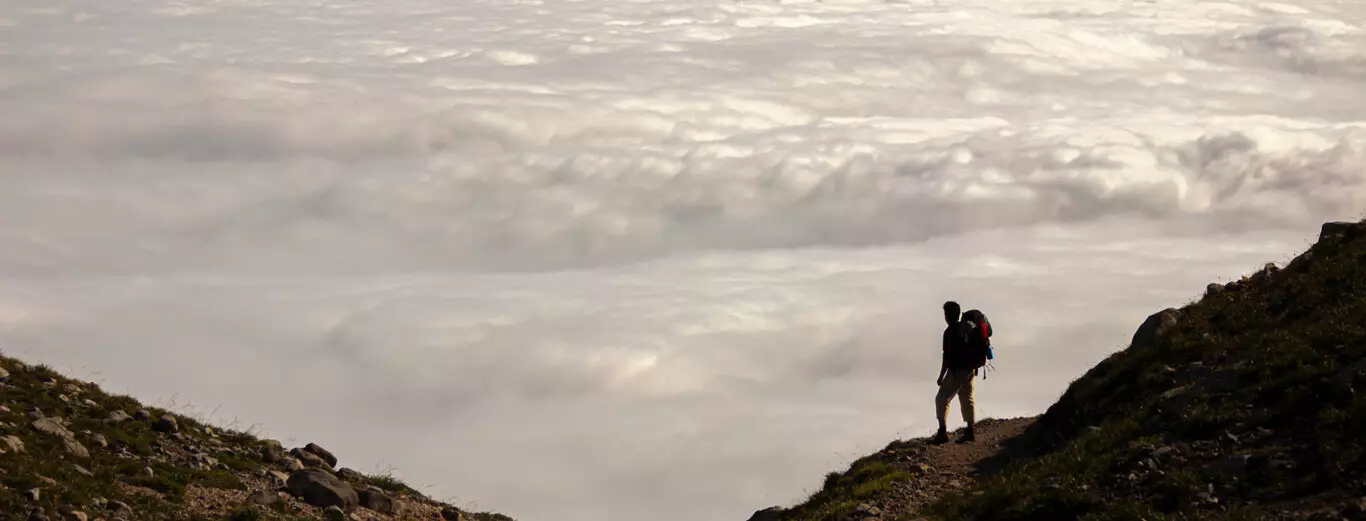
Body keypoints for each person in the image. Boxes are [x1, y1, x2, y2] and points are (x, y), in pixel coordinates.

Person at [932, 301, 987, 444]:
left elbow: (947, 357)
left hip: (957, 372)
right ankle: (970, 431)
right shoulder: (967, 327)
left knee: (942, 398)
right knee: (967, 398)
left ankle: (942, 432)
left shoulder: (949, 332)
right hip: (970, 369)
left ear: (947, 316)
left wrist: (941, 377)